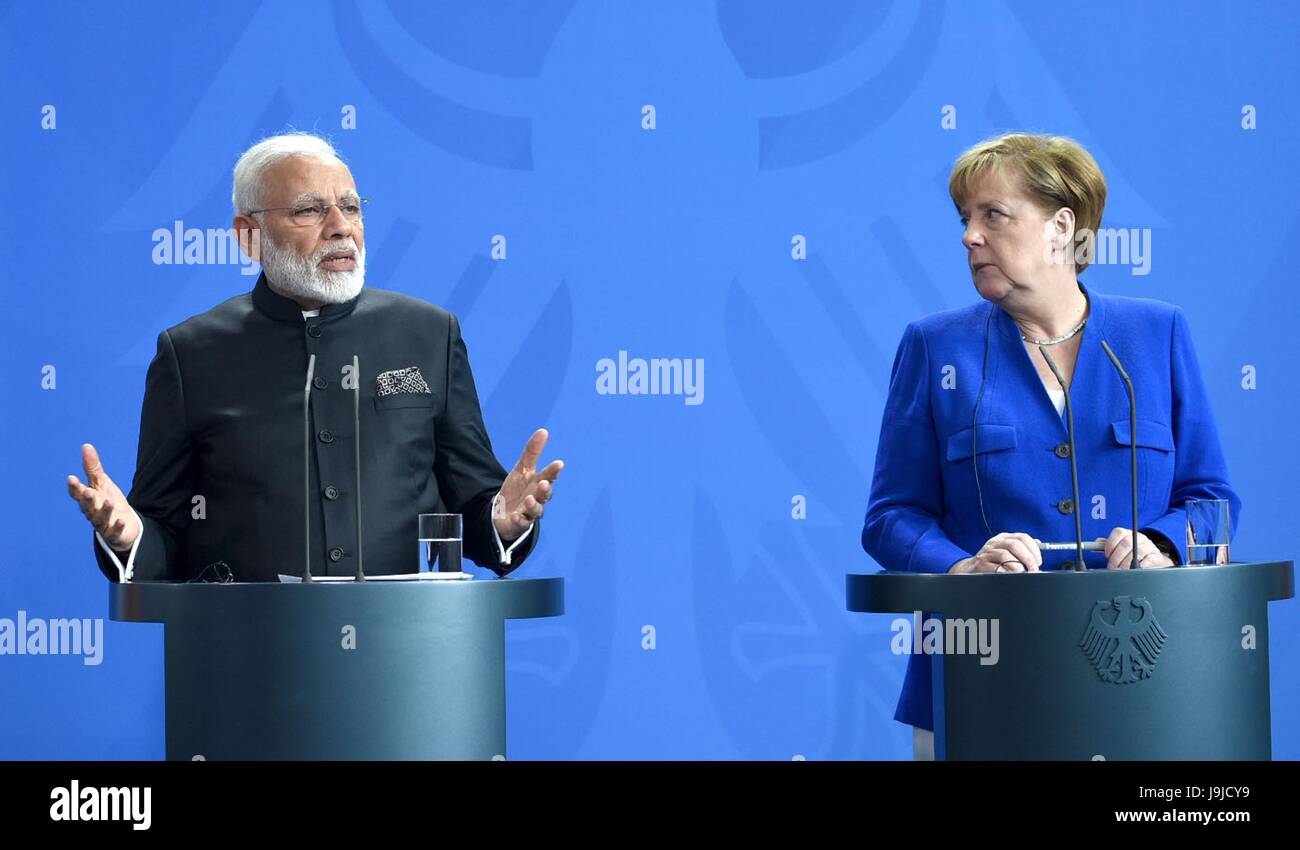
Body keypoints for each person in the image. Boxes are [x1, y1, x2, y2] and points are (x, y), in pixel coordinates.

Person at [861, 133, 1240, 759]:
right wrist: (963, 569)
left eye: (993, 215)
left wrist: (1163, 543)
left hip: (1147, 680)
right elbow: (890, 519)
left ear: (1061, 228)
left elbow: (1211, 496)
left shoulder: (1157, 335)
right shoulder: (934, 348)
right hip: (976, 681)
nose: (969, 236)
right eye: (965, 219)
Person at [66, 132, 562, 582]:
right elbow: (163, 533)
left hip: (409, 655)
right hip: (249, 655)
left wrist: (501, 520)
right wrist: (129, 537)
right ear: (248, 235)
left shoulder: (430, 334)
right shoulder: (190, 353)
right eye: (309, 210)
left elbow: (474, 508)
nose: (341, 227)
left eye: (351, 206)